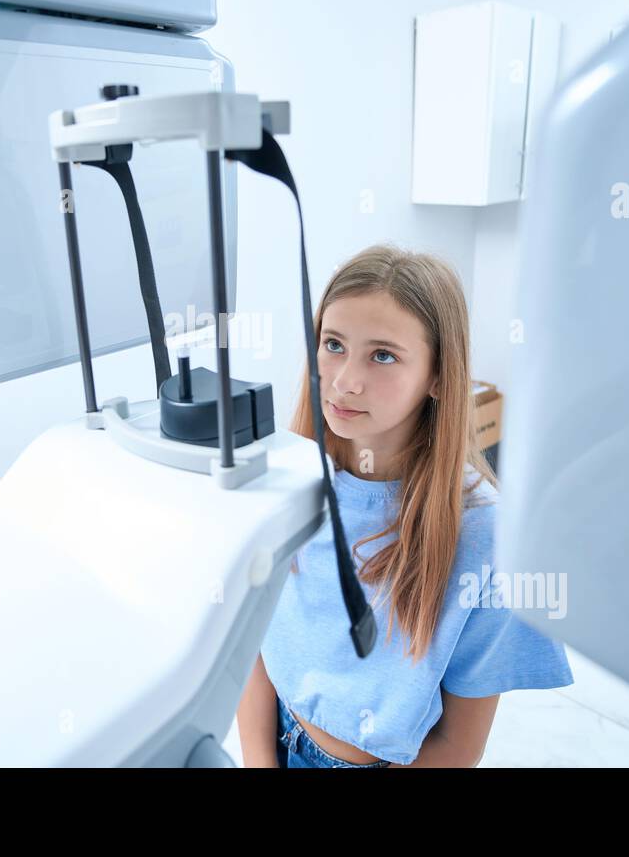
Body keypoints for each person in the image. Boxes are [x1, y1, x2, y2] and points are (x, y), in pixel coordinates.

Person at [236, 243, 573, 768]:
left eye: (383, 354)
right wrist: (260, 760)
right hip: (272, 735)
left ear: (439, 375)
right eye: (333, 344)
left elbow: (457, 748)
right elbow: (256, 641)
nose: (345, 379)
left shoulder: (487, 537)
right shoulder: (286, 478)